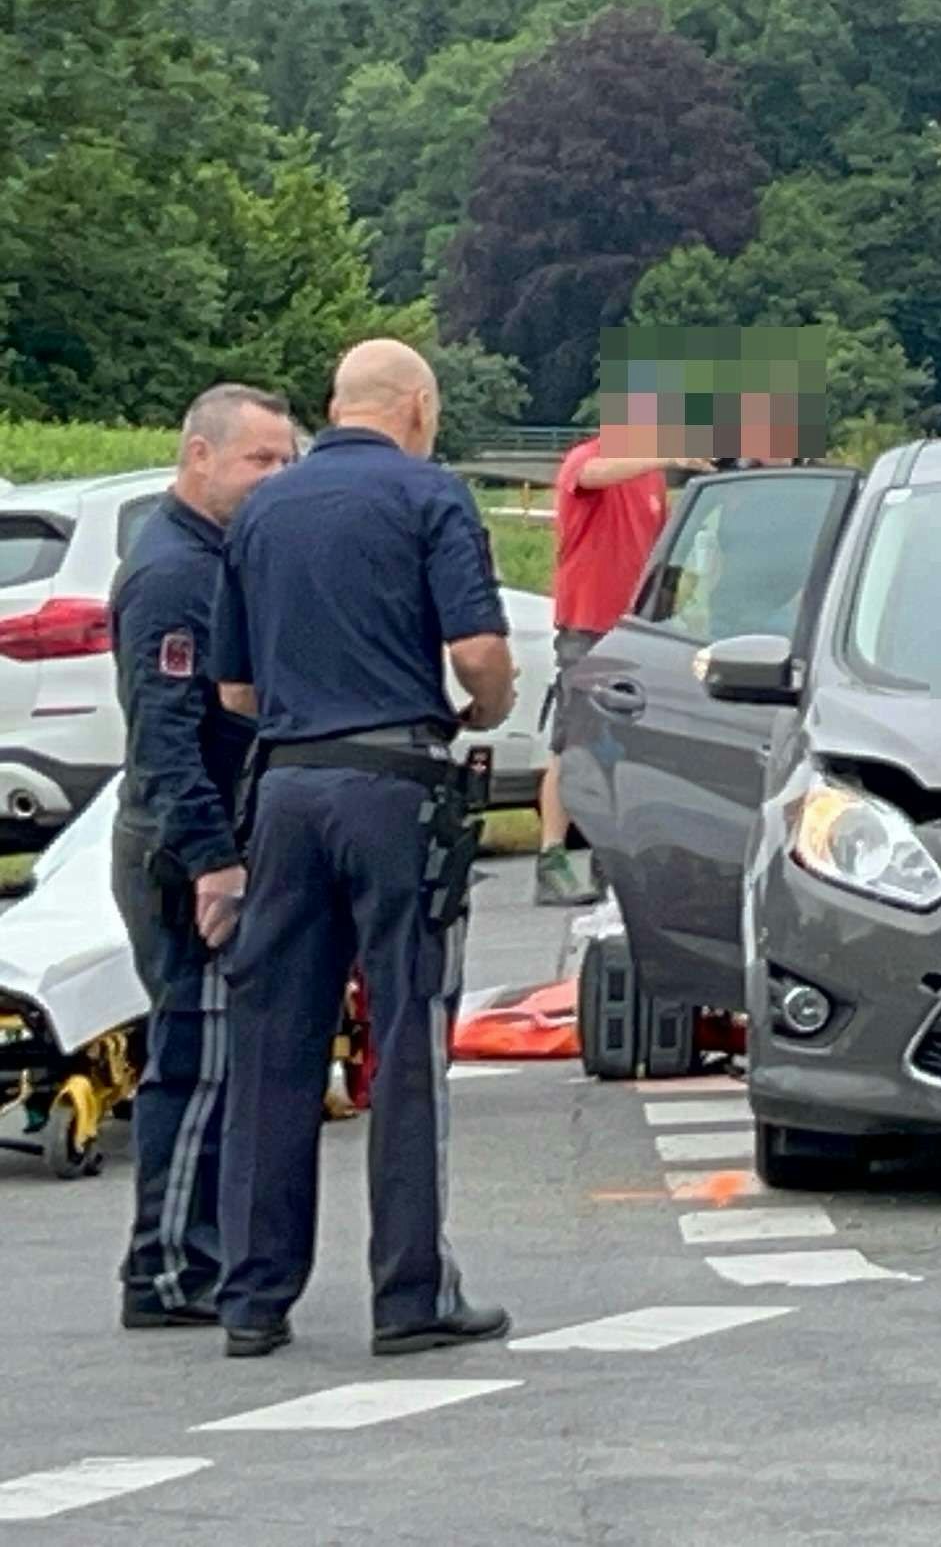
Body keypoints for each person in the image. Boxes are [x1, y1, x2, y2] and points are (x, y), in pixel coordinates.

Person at [208, 340, 516, 1360]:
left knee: (273, 1044)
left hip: (287, 787)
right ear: (418, 405)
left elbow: (234, 692)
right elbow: (477, 651)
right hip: (395, 783)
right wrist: (486, 706)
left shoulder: (261, 511)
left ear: (334, 407)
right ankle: (409, 1294)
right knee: (408, 1034)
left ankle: (253, 1298)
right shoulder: (431, 495)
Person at [104, 384, 300, 1329]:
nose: (275, 477)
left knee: (217, 1058)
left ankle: (193, 1255)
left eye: (286, 460)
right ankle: (169, 1269)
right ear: (198, 458)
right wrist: (214, 861)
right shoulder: (176, 576)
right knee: (197, 1061)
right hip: (181, 849)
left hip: (205, 836)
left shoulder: (218, 556)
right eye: (259, 459)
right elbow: (168, 741)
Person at [531, 398, 704, 906]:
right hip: (587, 625)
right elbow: (594, 476)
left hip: (635, 630)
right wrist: (664, 457)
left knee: (627, 746)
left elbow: (656, 552)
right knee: (574, 741)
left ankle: (612, 854)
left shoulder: (650, 484)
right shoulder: (588, 460)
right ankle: (551, 856)